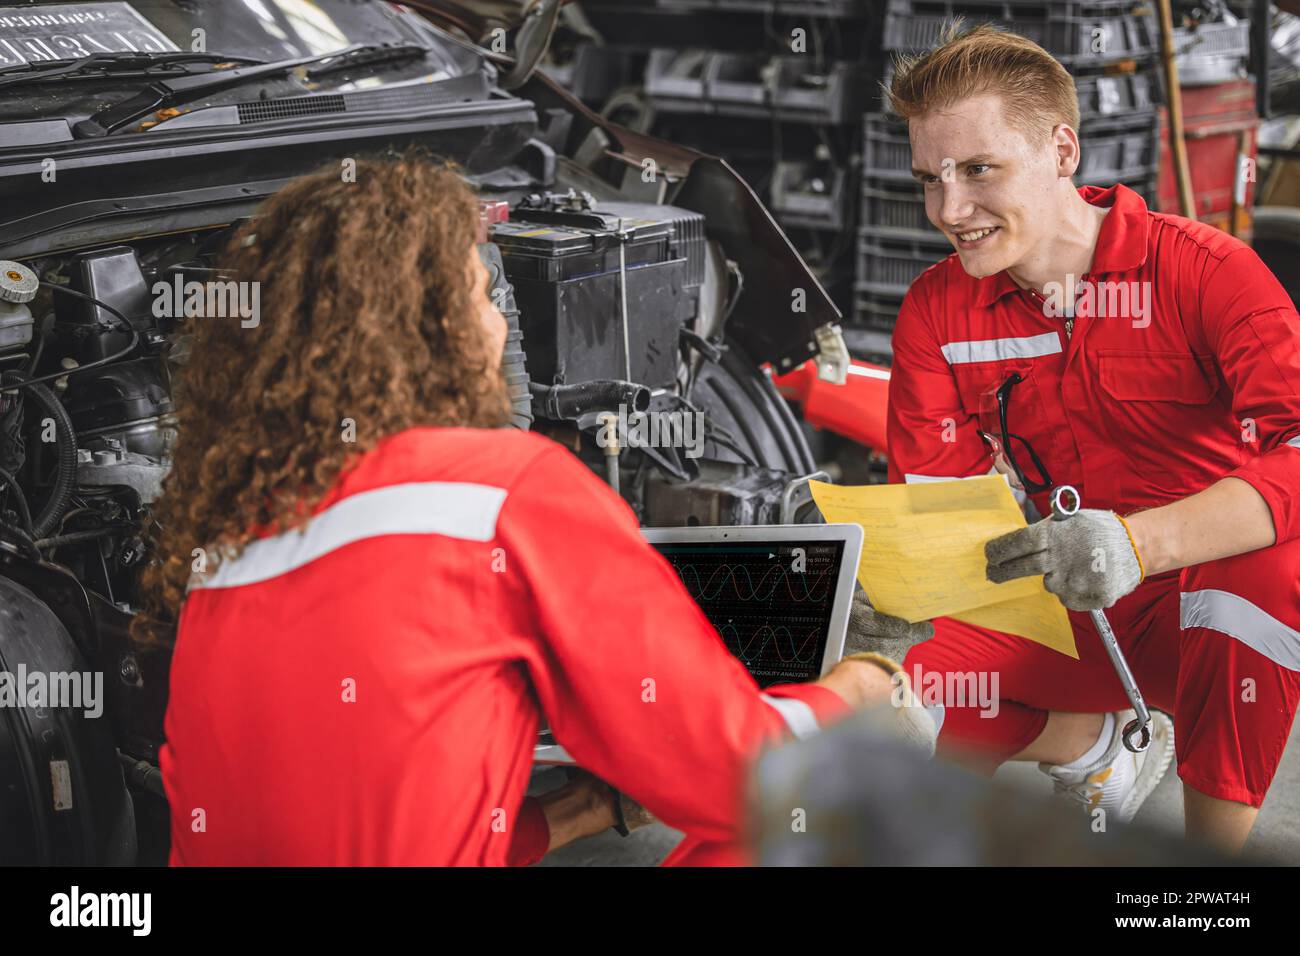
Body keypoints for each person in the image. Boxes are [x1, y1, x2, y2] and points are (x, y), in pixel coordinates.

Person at [137, 155, 930, 866]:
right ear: (436, 329)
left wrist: (582, 811)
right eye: (484, 294)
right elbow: (739, 776)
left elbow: (385, 832)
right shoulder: (506, 497)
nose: (497, 322)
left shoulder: (228, 552)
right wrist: (858, 691)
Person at [847, 24, 1300, 855]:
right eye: (930, 179)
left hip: (1199, 615)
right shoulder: (936, 312)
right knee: (878, 674)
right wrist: (891, 614)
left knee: (1261, 578)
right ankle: (1092, 747)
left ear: (1062, 150)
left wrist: (1136, 543)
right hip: (1064, 606)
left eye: (979, 170)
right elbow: (939, 512)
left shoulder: (1205, 273)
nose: (949, 211)